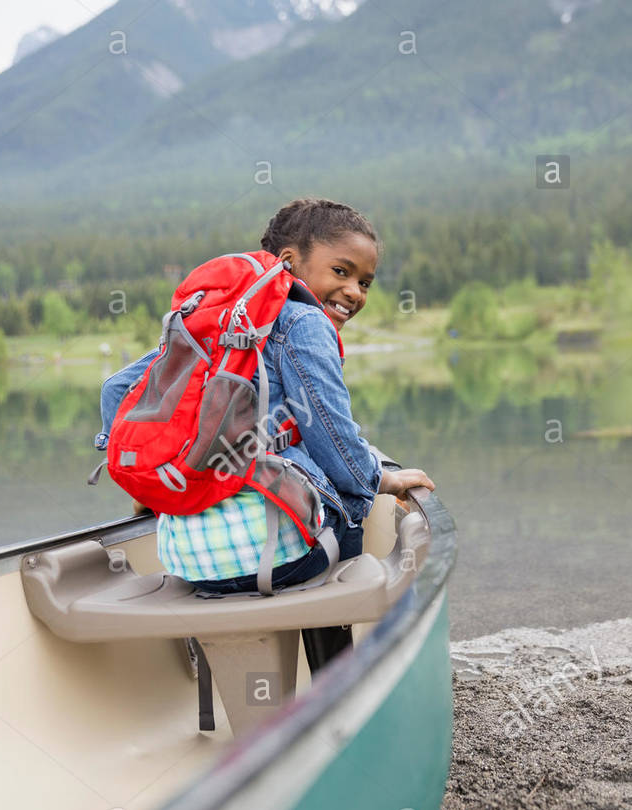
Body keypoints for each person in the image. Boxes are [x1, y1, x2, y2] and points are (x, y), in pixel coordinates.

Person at [96, 198, 434, 607]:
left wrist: (153, 492)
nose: (353, 292)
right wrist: (378, 479)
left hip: (188, 560)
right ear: (288, 262)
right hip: (277, 558)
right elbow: (332, 435)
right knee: (348, 503)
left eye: (364, 282)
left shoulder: (213, 327)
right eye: (341, 271)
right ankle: (341, 639)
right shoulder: (305, 321)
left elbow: (117, 389)